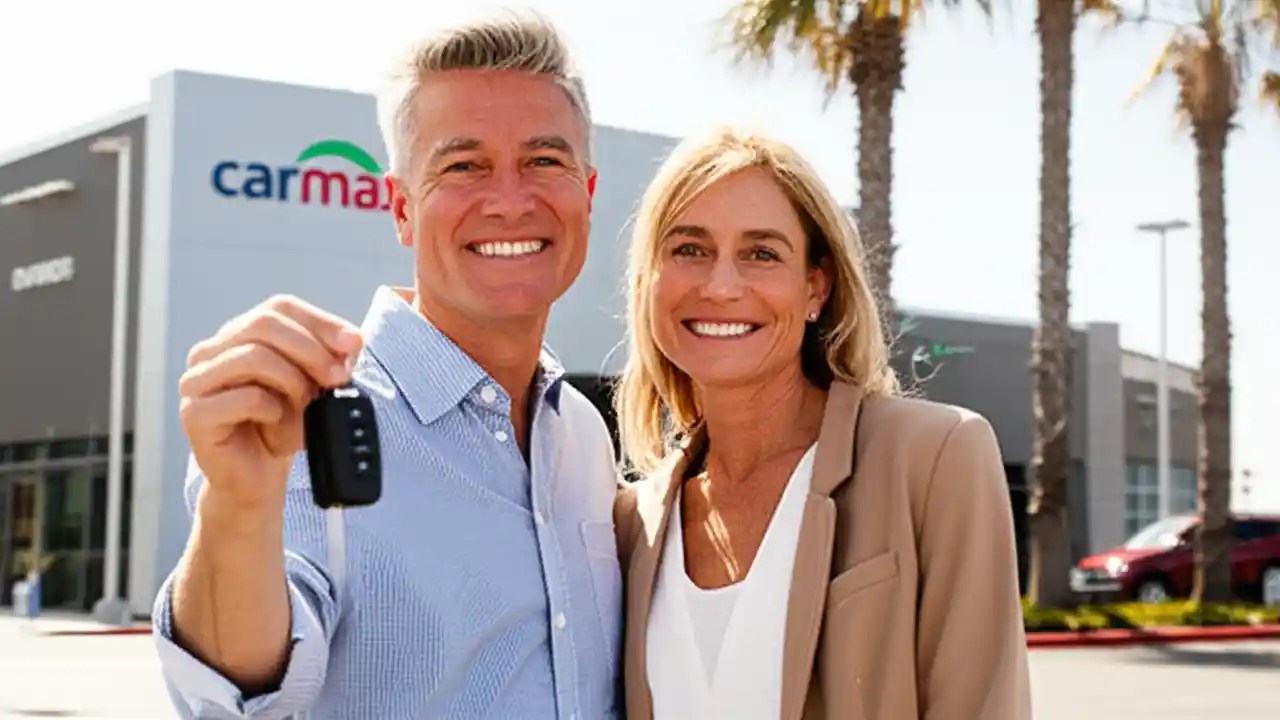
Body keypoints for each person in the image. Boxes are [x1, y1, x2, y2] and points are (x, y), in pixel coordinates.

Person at [151, 9, 623, 719]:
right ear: (401, 206)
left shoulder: (584, 433)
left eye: (544, 161)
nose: (508, 200)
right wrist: (237, 509)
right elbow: (236, 691)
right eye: (463, 166)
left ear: (586, 195)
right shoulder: (306, 421)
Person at [611, 128, 1032, 720]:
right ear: (649, 280)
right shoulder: (632, 524)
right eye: (689, 249)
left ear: (815, 286)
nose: (722, 286)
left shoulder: (936, 458)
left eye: (761, 253)